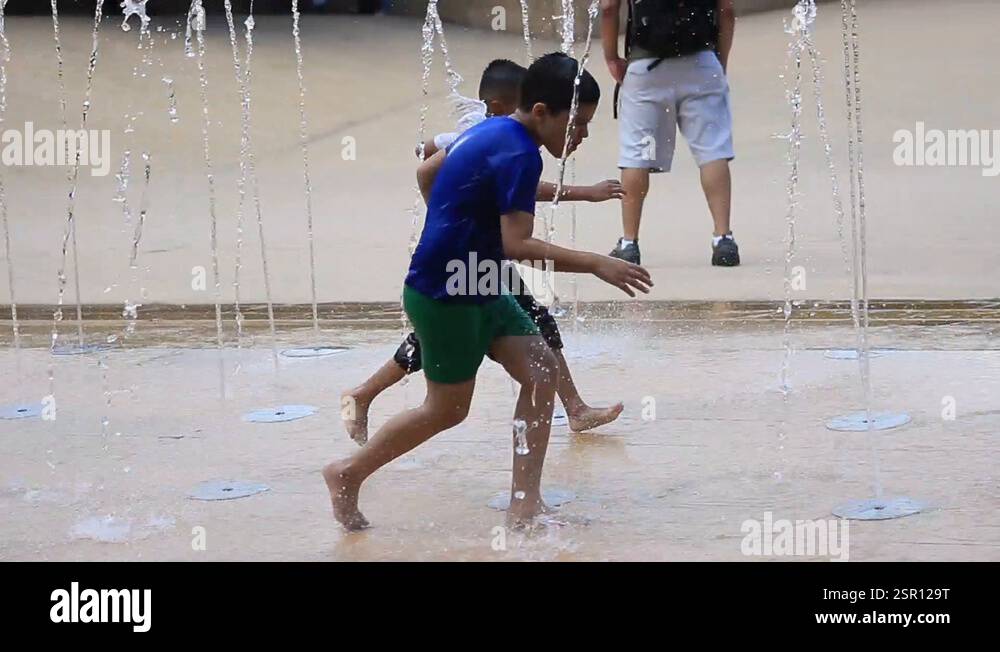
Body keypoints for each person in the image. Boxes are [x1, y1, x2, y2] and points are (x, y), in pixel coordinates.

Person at [324, 53, 652, 531]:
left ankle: (525, 504)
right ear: (541, 111)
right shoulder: (519, 149)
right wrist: (598, 263)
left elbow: (428, 174)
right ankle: (347, 473)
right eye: (576, 123)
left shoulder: (493, 133)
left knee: (540, 371)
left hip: (476, 281)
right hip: (446, 290)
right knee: (446, 410)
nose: (581, 135)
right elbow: (514, 243)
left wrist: (454, 219)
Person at [602, 0, 740, 267]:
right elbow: (727, 10)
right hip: (701, 60)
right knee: (712, 150)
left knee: (637, 153)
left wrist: (611, 56)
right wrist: (718, 61)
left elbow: (608, 8)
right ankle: (723, 238)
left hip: (645, 65)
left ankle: (630, 243)